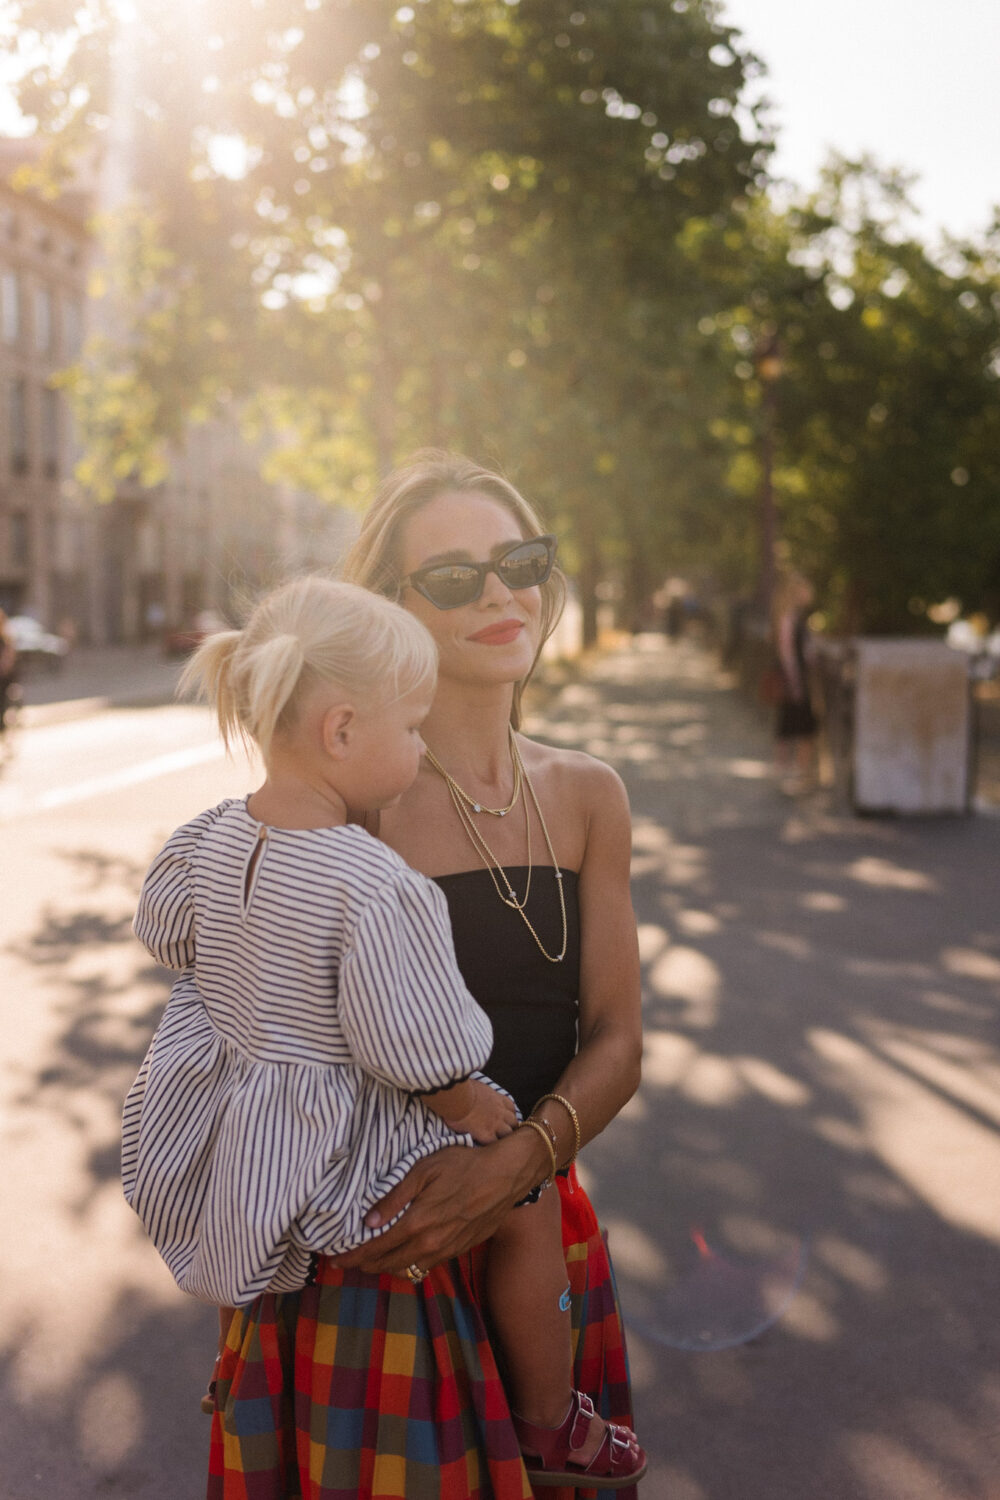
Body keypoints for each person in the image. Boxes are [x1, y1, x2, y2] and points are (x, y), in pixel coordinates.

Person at [124, 567, 645, 1495]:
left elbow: (168, 932)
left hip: (255, 1144)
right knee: (524, 1211)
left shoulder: (208, 835)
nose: (496, 591)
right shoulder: (372, 878)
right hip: (363, 1174)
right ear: (343, 731)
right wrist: (471, 1097)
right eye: (409, 726)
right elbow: (409, 1039)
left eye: (521, 560)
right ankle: (547, 1418)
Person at [771, 571, 819, 793]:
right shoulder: (789, 618)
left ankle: (794, 775)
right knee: (796, 730)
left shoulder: (796, 617)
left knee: (793, 730)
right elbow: (787, 653)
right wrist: (796, 684)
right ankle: (793, 776)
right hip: (795, 681)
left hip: (797, 680)